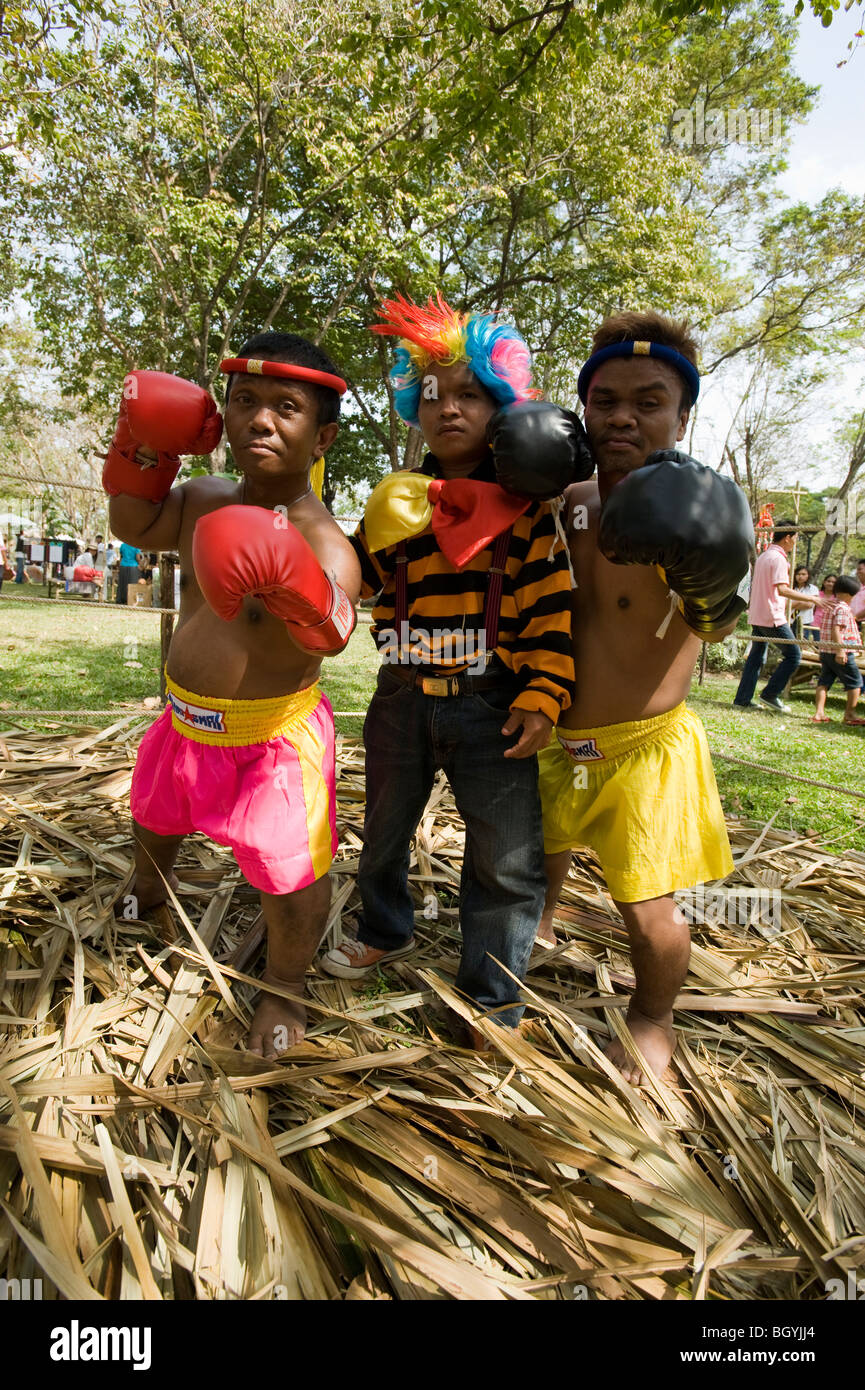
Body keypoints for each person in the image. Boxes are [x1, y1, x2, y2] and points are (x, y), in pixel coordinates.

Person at [320, 293, 584, 1040]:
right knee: (382, 829)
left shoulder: (529, 513)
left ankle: (492, 990)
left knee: (505, 856)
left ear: (502, 401)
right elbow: (358, 581)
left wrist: (543, 691)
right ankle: (385, 925)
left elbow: (549, 608)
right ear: (413, 403)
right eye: (432, 394)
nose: (449, 408)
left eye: (470, 393)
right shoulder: (392, 504)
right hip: (400, 695)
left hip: (492, 704)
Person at [105, 337, 360, 1056]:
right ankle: (148, 890)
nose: (260, 421)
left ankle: (285, 987)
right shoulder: (202, 499)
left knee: (288, 876)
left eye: (286, 408)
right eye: (244, 402)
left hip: (271, 743)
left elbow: (333, 633)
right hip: (183, 722)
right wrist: (144, 446)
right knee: (155, 820)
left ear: (323, 437)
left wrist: (291, 577)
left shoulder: (325, 541)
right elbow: (131, 524)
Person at [536, 310, 754, 1084]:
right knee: (540, 869)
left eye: (648, 400)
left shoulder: (704, 508)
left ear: (682, 415)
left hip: (644, 752)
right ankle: (537, 934)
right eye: (605, 399)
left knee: (648, 911)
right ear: (583, 406)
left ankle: (652, 1017)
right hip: (558, 742)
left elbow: (719, 628)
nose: (622, 415)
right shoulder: (562, 499)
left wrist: (708, 574)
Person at [732, 522, 815, 714]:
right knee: (794, 655)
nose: (795, 542)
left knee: (755, 659)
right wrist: (812, 598)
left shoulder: (763, 557)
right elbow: (782, 589)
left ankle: (742, 699)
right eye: (795, 538)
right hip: (771, 616)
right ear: (787, 537)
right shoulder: (778, 559)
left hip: (758, 614)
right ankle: (770, 694)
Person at [812, 575, 864, 725]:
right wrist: (841, 651)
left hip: (826, 651)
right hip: (840, 652)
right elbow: (837, 630)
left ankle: (819, 713)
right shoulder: (843, 609)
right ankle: (850, 714)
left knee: (824, 682)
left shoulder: (830, 606)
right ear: (849, 595)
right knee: (855, 683)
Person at [792, 564, 819, 642]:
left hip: (805, 621)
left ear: (808, 576)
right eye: (798, 574)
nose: (800, 576)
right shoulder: (790, 588)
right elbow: (785, 604)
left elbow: (809, 605)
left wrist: (794, 603)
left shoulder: (812, 589)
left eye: (803, 574)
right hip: (790, 620)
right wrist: (802, 601)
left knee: (803, 643)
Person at [115, 539, 141, 604]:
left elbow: (121, 556)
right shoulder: (136, 546)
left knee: (122, 583)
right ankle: (131, 600)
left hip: (123, 565)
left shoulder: (123, 545)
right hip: (133, 566)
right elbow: (137, 558)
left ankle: (120, 599)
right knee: (132, 584)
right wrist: (140, 563)